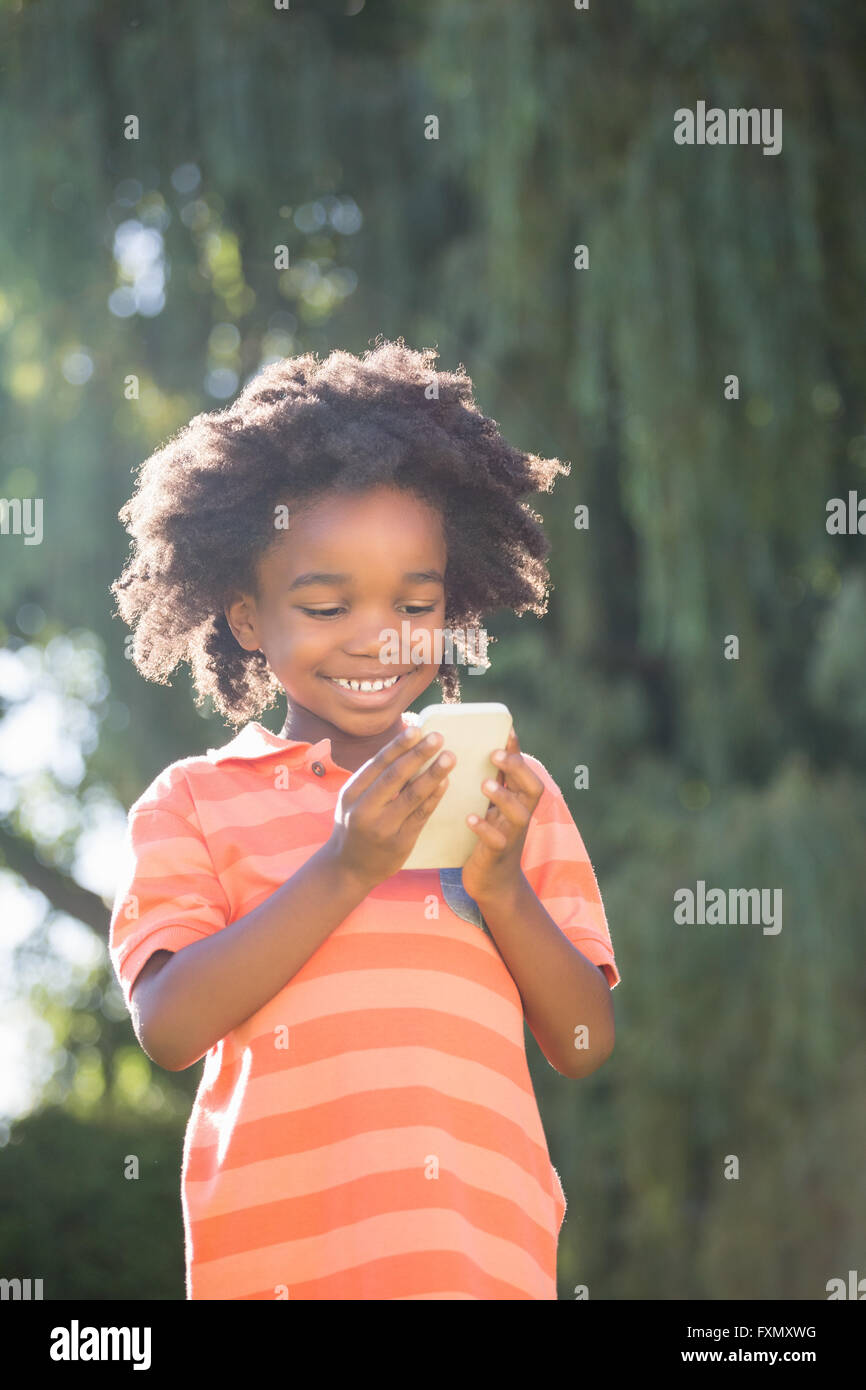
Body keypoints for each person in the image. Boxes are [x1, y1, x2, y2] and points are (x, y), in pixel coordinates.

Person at [108, 336, 620, 1300]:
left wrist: (501, 888)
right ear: (251, 619)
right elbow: (170, 1030)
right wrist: (345, 866)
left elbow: (585, 1043)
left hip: (482, 1271)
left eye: (414, 603)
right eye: (327, 603)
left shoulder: (511, 793)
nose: (378, 637)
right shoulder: (193, 802)